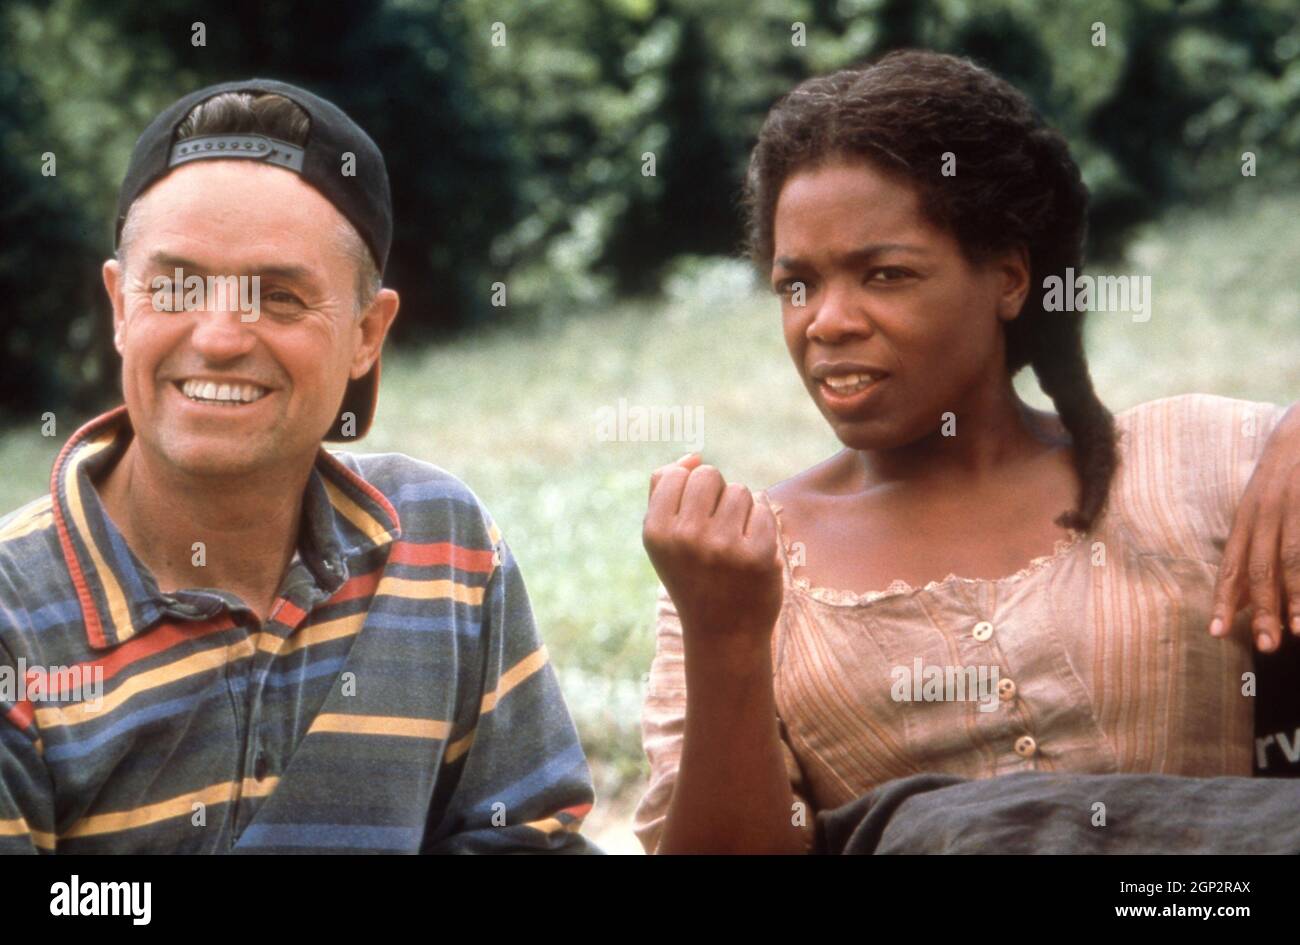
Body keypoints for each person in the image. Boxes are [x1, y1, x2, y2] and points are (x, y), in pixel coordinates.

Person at [634, 50, 1300, 854]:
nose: (827, 321)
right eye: (797, 285)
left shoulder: (1198, 463)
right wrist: (726, 640)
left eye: (884, 274)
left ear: (1010, 279)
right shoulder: (743, 567)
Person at [0, 79, 598, 853]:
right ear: (121, 306)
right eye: (177, 286)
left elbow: (531, 836)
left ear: (367, 333)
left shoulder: (442, 546)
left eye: (280, 298)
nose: (218, 337)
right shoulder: (15, 621)